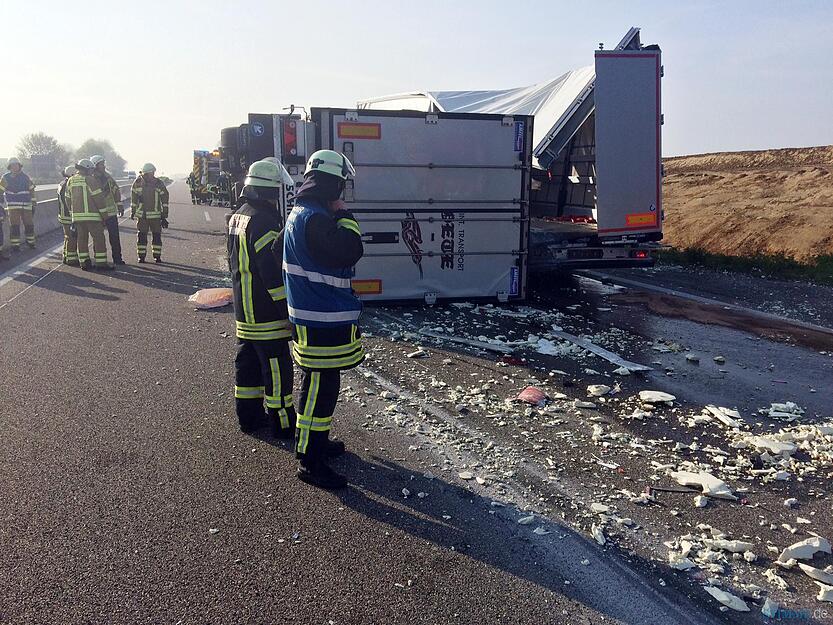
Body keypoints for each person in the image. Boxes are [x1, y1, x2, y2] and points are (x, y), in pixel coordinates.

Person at [281, 149, 363, 489]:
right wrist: (346, 217)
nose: (343, 194)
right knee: (319, 388)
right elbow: (350, 249)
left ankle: (316, 442)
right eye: (342, 187)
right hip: (321, 319)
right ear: (333, 184)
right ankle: (310, 460)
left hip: (314, 315)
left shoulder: (301, 213)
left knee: (321, 385)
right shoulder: (316, 217)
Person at [227, 159, 297, 438]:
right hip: (265, 313)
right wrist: (287, 312)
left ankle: (248, 418)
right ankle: (282, 423)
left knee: (248, 368)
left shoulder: (238, 214)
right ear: (270, 191)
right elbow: (271, 274)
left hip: (244, 311)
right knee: (277, 370)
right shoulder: (265, 221)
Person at [68, 159, 111, 271]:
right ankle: (101, 264)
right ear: (87, 168)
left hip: (77, 217)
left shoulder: (71, 180)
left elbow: (68, 200)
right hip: (93, 217)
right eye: (91, 169)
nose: (92, 171)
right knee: (99, 239)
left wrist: (73, 213)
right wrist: (105, 216)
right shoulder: (90, 180)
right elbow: (99, 199)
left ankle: (84, 263)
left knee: (81, 239)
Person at [130, 163, 169, 263]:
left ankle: (157, 256)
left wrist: (164, 214)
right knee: (141, 236)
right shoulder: (137, 183)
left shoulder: (158, 183)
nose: (153, 174)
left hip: (155, 216)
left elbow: (165, 197)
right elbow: (133, 199)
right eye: (152, 173)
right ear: (147, 173)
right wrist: (133, 211)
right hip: (142, 216)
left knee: (156, 236)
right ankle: (141, 256)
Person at [91, 155, 125, 264]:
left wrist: (119, 204)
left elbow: (116, 190)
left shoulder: (108, 177)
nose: (104, 166)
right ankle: (100, 260)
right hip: (97, 214)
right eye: (101, 164)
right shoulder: (90, 179)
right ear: (95, 166)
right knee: (98, 238)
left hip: (110, 213)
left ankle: (117, 258)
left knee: (114, 237)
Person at [0, 157, 37, 250]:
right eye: (12, 166)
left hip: (27, 206)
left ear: (19, 166)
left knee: (29, 225)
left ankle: (31, 242)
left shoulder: (26, 177)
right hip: (13, 207)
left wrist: (33, 203)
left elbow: (32, 190)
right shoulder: (5, 178)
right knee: (14, 226)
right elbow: (0, 191)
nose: (14, 167)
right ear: (9, 167)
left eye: (16, 165)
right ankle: (15, 245)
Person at [57, 165, 78, 266]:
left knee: (67, 237)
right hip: (68, 215)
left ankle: (66, 256)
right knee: (72, 237)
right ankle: (72, 259)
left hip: (63, 214)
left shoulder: (62, 183)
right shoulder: (68, 184)